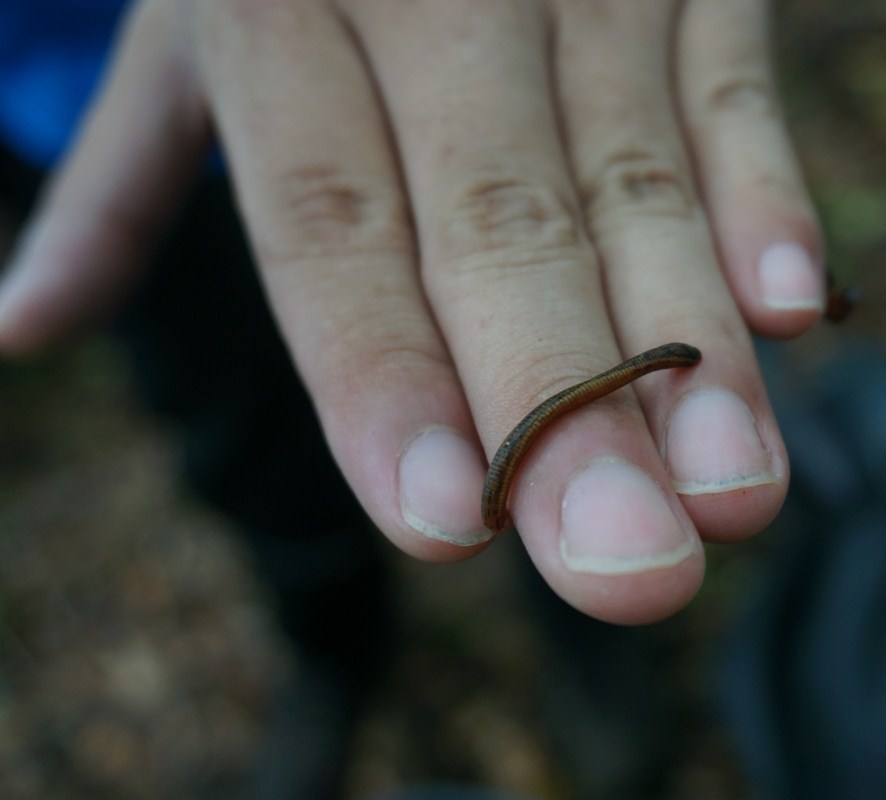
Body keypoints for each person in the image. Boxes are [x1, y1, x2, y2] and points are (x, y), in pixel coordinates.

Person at [1, 2, 827, 797]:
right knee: (262, 441)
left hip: (502, 70)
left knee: (512, 387)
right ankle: (335, 649)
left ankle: (587, 629)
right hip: (72, 95)